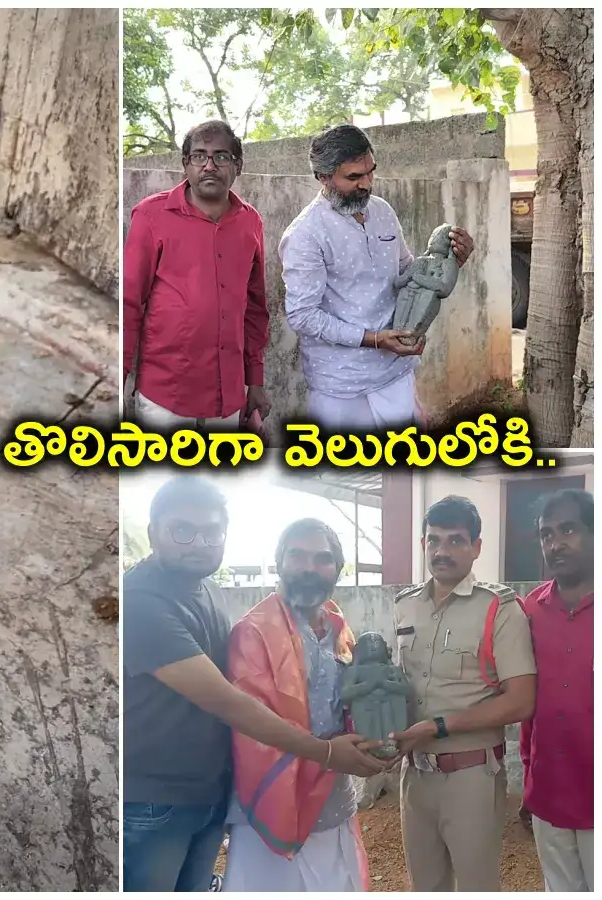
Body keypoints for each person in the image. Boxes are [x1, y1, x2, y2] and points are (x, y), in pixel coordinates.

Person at [123, 477, 384, 892]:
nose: (199, 543)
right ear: (153, 532)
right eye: (182, 530)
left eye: (212, 532)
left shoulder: (332, 626)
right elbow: (231, 704)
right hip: (162, 800)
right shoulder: (143, 603)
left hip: (217, 794)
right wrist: (328, 753)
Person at [279, 124, 476, 432]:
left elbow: (404, 272)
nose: (366, 184)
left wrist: (451, 262)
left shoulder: (382, 211)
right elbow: (303, 316)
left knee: (403, 472)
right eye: (354, 177)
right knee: (346, 478)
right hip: (341, 384)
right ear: (323, 177)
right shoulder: (306, 234)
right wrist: (373, 339)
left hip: (395, 372)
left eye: (371, 172)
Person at [390, 495, 536, 891]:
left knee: (476, 887)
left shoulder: (499, 609)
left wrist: (438, 726)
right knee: (426, 886)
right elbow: (399, 684)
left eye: (456, 540)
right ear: (423, 544)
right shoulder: (405, 607)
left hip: (471, 776)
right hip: (414, 775)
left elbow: (521, 700)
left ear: (477, 548)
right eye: (433, 540)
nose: (442, 550)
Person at [224, 519, 370, 891]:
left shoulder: (338, 628)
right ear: (279, 563)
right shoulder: (253, 632)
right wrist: (325, 753)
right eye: (298, 556)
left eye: (323, 559)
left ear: (337, 569)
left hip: (334, 802)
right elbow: (252, 728)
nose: (309, 567)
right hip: (272, 811)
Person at [123, 121, 271, 433]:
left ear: (237, 166)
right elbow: (129, 302)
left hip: (227, 392)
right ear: (185, 164)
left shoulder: (250, 222)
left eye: (221, 157)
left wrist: (253, 381)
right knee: (164, 480)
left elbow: (256, 308)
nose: (209, 166)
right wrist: (118, 377)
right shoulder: (152, 216)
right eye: (199, 156)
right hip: (167, 390)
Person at [520, 489, 593, 891]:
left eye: (568, 530)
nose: (555, 543)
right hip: (548, 789)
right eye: (547, 534)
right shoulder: (529, 610)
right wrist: (529, 774)